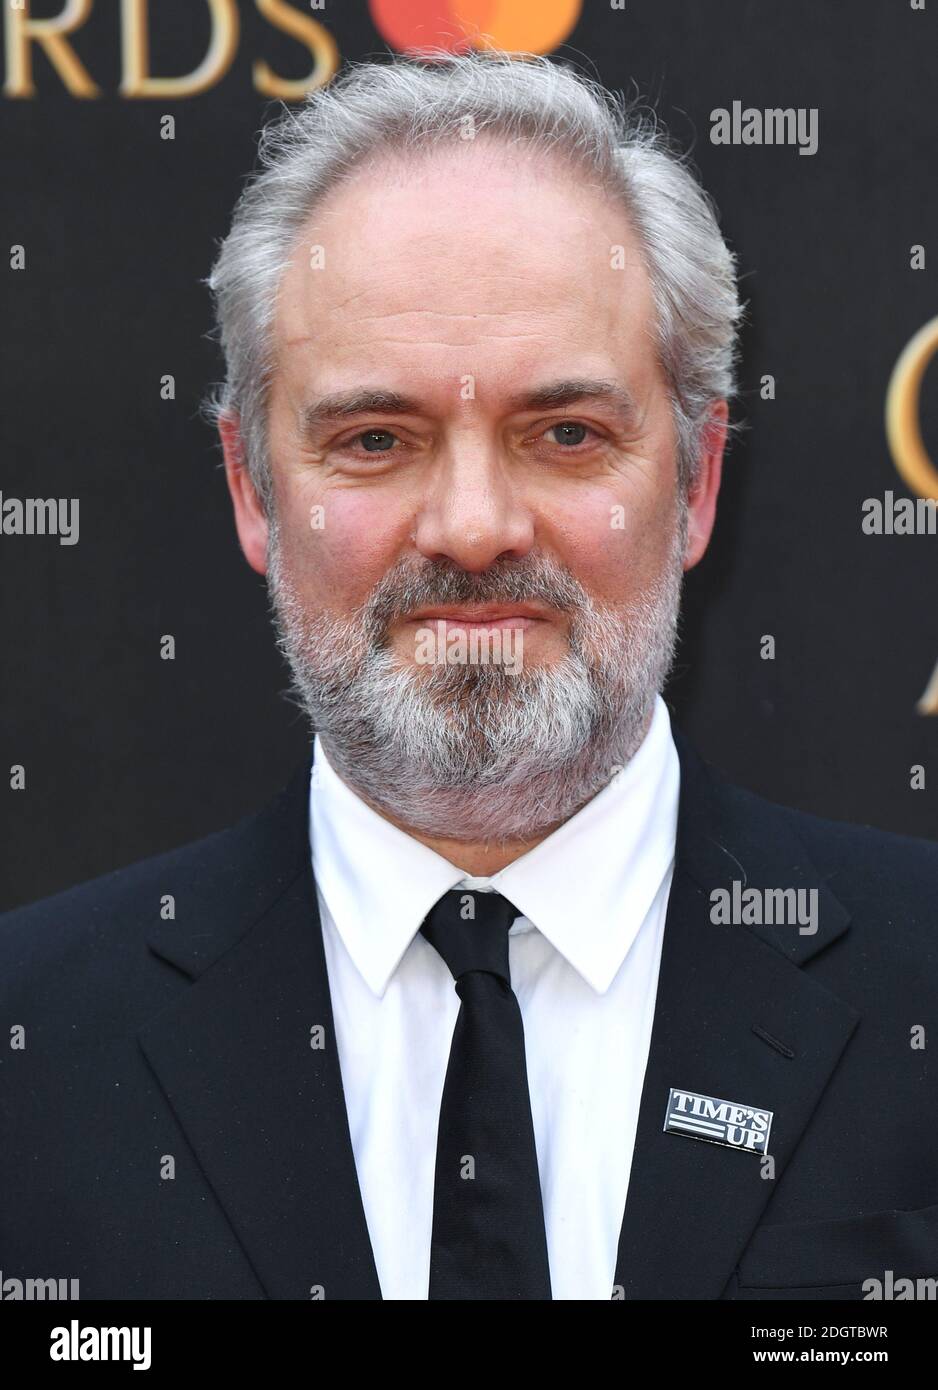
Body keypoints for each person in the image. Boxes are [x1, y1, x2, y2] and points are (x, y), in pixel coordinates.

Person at [2, 51, 936, 1302]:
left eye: (564, 434)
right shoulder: (32, 1049)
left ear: (698, 480)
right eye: (375, 439)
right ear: (252, 489)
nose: (473, 525)